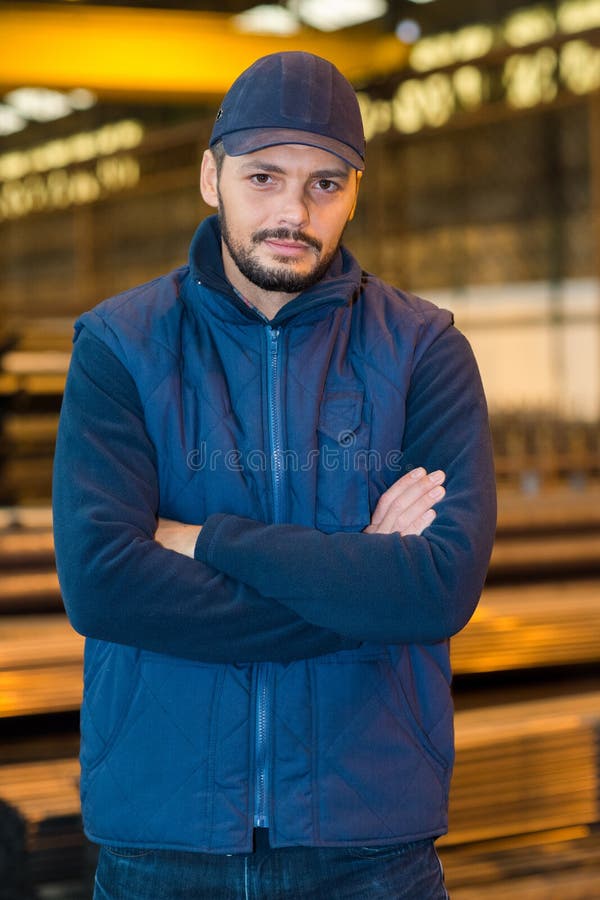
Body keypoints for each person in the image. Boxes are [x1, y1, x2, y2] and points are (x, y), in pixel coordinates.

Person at [52, 51, 496, 899]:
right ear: (212, 177)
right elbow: (105, 585)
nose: (293, 211)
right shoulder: (119, 346)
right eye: (265, 177)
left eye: (325, 183)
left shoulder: (423, 350)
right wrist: (358, 580)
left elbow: (436, 590)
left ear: (355, 189)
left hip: (371, 841)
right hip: (163, 839)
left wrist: (210, 541)